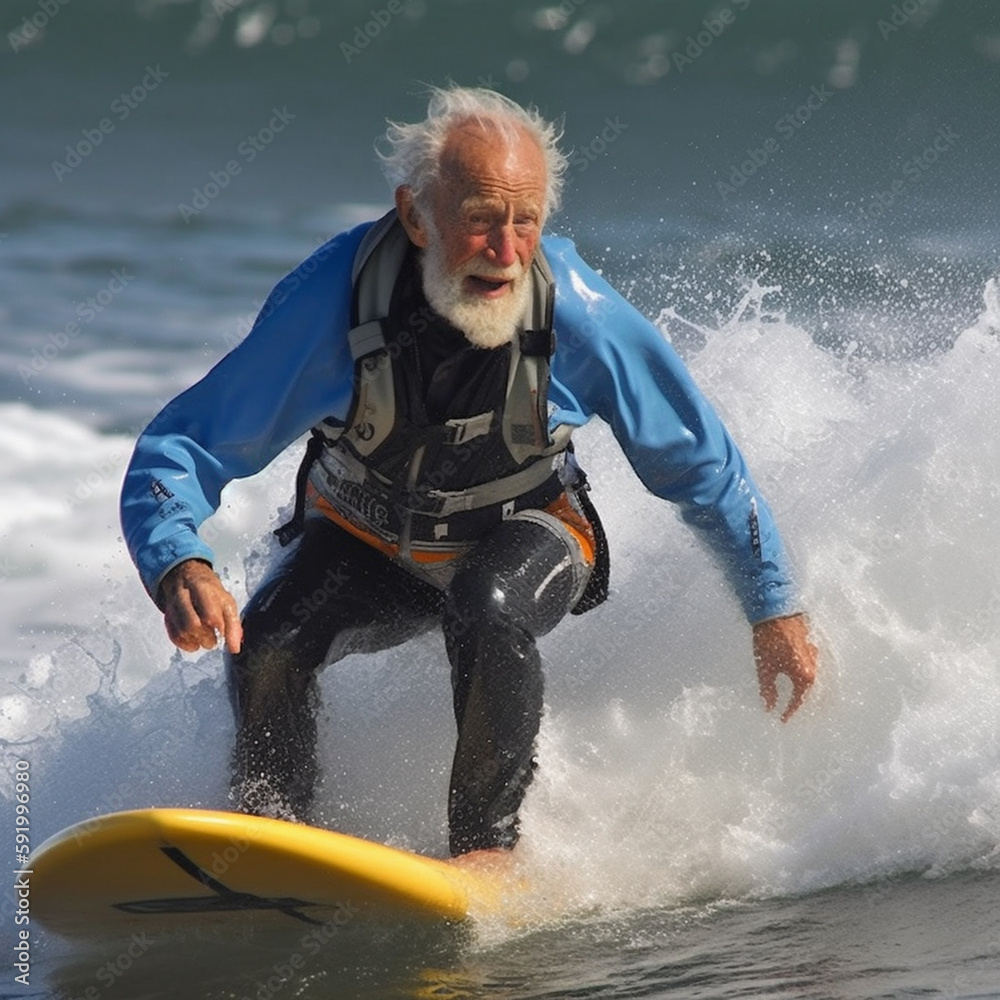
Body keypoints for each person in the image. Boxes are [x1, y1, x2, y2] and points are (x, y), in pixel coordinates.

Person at [120, 86, 817, 860]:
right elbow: (183, 445)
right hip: (366, 536)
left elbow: (700, 462)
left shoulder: (574, 312)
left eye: (527, 221)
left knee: (486, 605)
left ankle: (488, 854)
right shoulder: (329, 307)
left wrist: (773, 605)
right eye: (481, 217)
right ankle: (270, 842)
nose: (508, 250)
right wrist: (177, 555)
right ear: (417, 215)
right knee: (271, 641)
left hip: (533, 530)